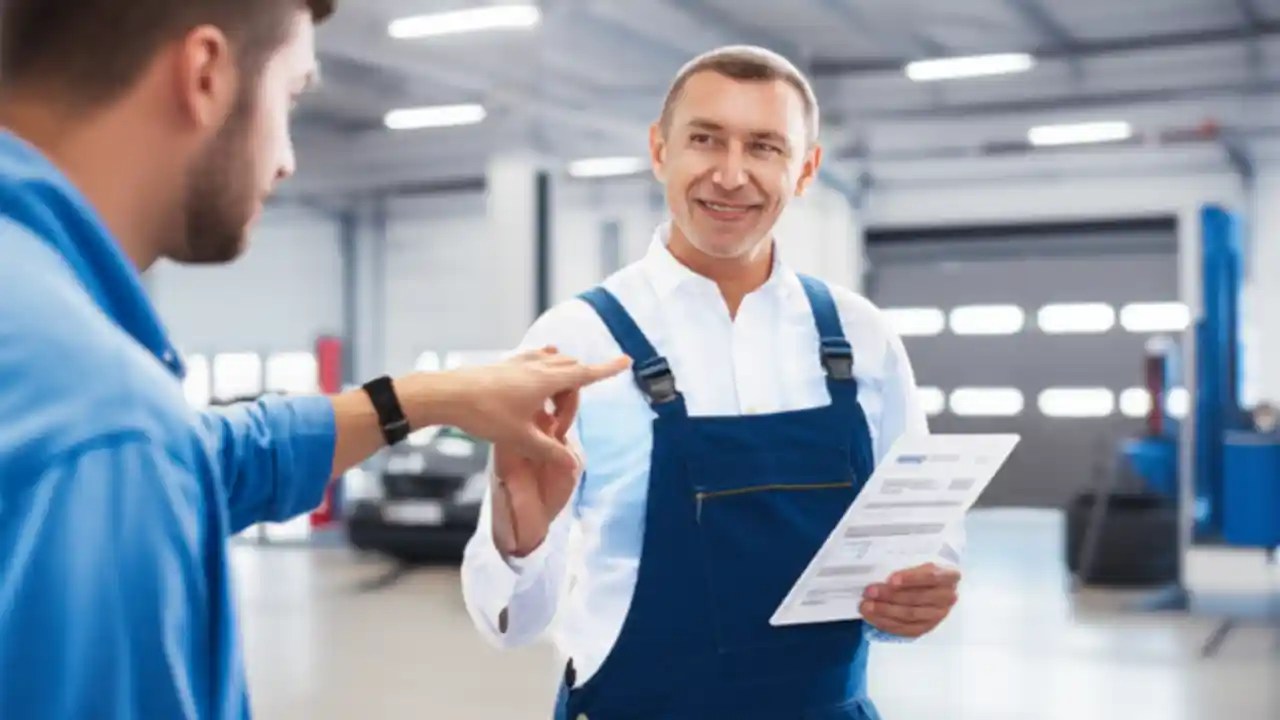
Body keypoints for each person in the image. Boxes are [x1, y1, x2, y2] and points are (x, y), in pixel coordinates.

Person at [0, 1, 625, 718]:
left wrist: (426, 398)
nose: (288, 158)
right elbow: (142, 454)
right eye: (290, 96)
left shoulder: (46, 355)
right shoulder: (104, 425)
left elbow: (203, 462)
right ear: (205, 74)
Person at [461, 46, 965, 719]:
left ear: (806, 169)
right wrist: (515, 543)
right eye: (705, 140)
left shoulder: (861, 337)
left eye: (764, 147)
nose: (731, 176)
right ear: (660, 150)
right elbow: (514, 625)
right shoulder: (576, 342)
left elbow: (918, 540)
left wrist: (914, 594)